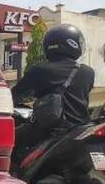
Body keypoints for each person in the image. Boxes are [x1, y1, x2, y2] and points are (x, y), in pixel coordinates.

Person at [11, 24, 94, 158]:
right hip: (81, 129)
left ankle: (13, 176)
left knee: (9, 139)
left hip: (50, 130)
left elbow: (14, 96)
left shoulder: (40, 70)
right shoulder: (88, 72)